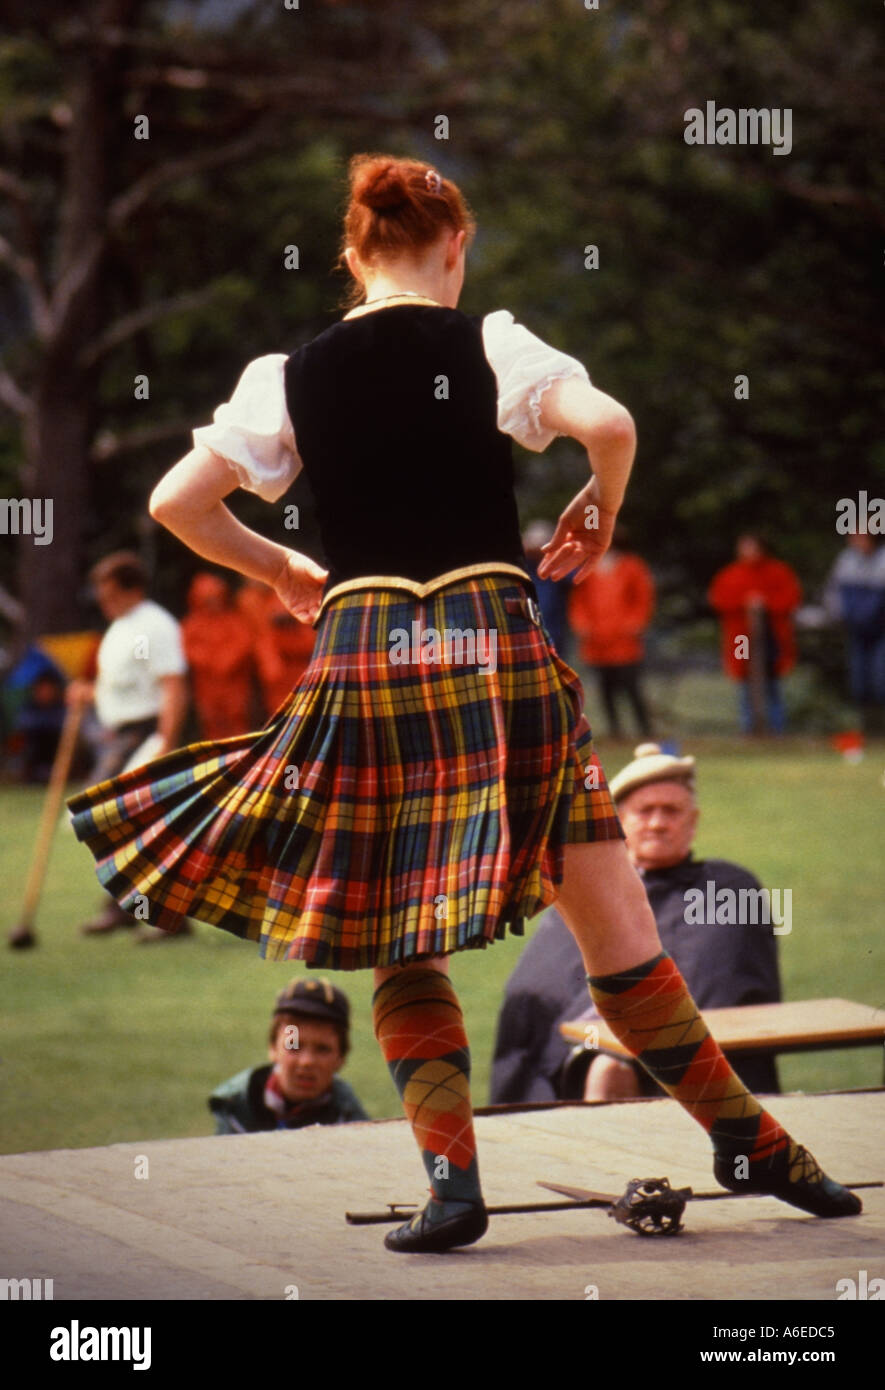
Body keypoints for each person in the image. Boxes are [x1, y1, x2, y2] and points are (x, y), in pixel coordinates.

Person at [67, 154, 860, 1254]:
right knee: (619, 931)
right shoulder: (493, 340)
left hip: (370, 656)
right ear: (458, 249)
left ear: (352, 257)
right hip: (499, 658)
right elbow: (613, 423)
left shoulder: (287, 373)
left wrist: (283, 569)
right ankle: (748, 1139)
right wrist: (603, 505)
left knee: (401, 927)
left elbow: (175, 503)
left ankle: (452, 1186)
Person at [491, 743, 781, 1105]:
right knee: (608, 1069)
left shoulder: (728, 888)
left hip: (703, 1051)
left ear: (693, 822)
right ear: (620, 822)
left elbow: (731, 983)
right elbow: (538, 995)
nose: (658, 823)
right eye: (645, 812)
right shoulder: (589, 891)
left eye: (672, 811)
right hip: (593, 1052)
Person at [68, 552, 190, 939]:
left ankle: (164, 914)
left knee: (131, 822)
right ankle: (129, 907)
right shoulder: (120, 627)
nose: (103, 602)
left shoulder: (154, 625)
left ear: (132, 588)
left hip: (147, 732)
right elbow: (121, 684)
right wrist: (88, 692)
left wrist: (166, 741)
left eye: (110, 593)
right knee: (117, 822)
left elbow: (172, 684)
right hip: (118, 734)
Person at [210, 978, 368, 1134]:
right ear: (273, 1048)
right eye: (293, 1046)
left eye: (323, 1049)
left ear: (341, 1057)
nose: (307, 1062)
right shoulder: (236, 1108)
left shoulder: (352, 1124)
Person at [567, 524, 655, 738]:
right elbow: (578, 600)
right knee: (605, 688)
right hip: (597, 640)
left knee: (631, 686)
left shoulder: (632, 566)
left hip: (624, 639)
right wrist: (581, 624)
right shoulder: (587, 567)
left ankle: (644, 729)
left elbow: (643, 598)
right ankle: (615, 729)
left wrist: (636, 623)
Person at [708, 535, 802, 735]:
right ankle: (749, 728)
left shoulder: (777, 572)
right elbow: (719, 599)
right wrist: (745, 603)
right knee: (744, 679)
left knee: (772, 680)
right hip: (741, 638)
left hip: (771, 637)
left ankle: (776, 730)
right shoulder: (731, 574)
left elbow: (791, 598)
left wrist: (765, 603)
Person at [180, 572, 255, 738]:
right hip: (207, 685)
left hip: (234, 684)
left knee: (238, 723)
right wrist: (209, 660)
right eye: (208, 599)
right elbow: (188, 648)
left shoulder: (233, 620)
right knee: (211, 723)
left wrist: (226, 660)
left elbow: (244, 643)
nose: (213, 603)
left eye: (216, 598)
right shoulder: (192, 624)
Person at [824, 533, 885, 734]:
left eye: (858, 536)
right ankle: (868, 730)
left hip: (880, 631)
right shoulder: (846, 560)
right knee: (860, 683)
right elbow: (833, 592)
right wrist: (837, 615)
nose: (853, 541)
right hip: (857, 631)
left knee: (880, 680)